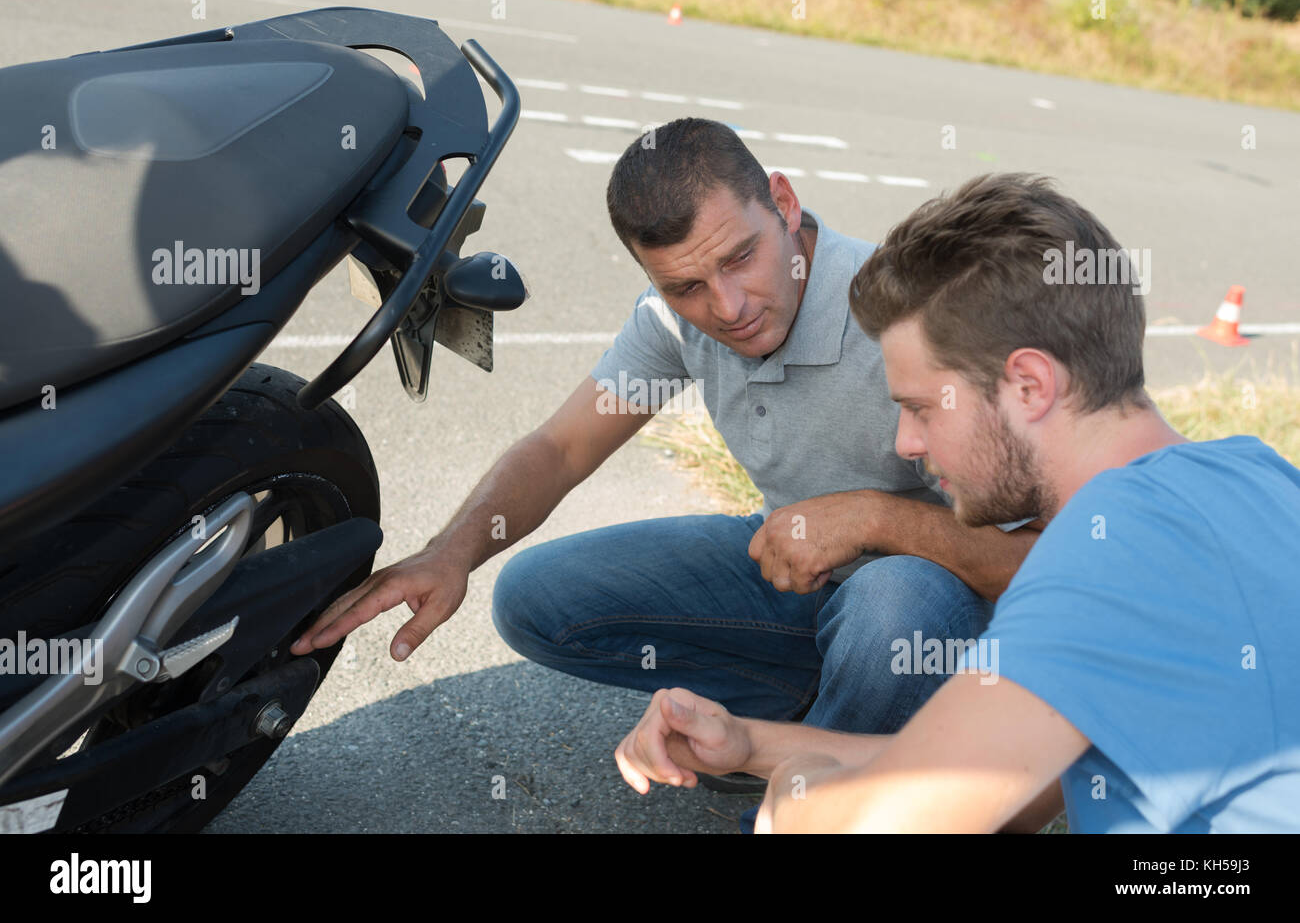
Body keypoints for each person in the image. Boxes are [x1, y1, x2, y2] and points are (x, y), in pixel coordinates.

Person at [290, 118, 1034, 781]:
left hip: (942, 613)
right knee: (535, 597)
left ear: (783, 201)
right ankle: (797, 715)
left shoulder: (911, 319)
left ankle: (817, 784)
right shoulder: (674, 322)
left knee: (896, 604)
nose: (729, 307)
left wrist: (875, 517)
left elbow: (1041, 557)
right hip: (801, 570)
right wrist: (450, 552)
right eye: (686, 285)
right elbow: (559, 448)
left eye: (742, 257)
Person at [614, 171, 1300, 832]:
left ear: (1029, 385)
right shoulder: (1257, 475)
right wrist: (746, 742)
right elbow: (997, 786)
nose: (908, 441)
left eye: (921, 407)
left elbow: (880, 823)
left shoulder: (1106, 557)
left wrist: (804, 799)